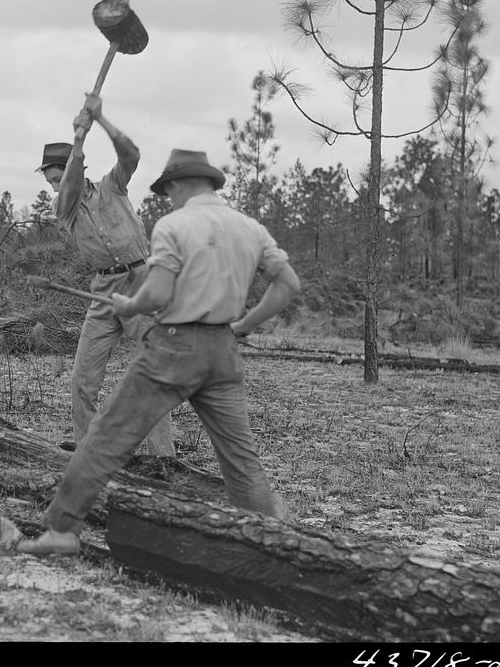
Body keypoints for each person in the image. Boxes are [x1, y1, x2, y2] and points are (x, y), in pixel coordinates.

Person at [19, 148, 301, 556]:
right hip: (224, 351)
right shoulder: (250, 228)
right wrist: (243, 326)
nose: (168, 197)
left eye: (169, 189)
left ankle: (62, 530)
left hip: (174, 346)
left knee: (105, 438)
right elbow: (288, 284)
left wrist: (131, 304)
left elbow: (157, 293)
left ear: (179, 184)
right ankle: (269, 548)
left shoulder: (173, 225)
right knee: (242, 462)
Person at [36, 92, 175, 458]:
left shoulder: (113, 186)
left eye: (56, 178)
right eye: (51, 182)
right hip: (103, 292)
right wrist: (78, 139)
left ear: (75, 169)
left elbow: (132, 155)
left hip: (141, 283)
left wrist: (100, 120)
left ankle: (163, 460)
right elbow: (70, 185)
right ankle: (90, 455)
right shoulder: (63, 207)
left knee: (153, 372)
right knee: (82, 380)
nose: (54, 188)